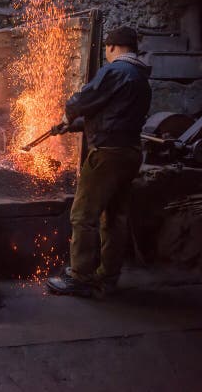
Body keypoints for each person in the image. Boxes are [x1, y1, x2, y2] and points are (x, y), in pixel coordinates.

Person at [46, 26, 152, 297]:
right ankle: (107, 277)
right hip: (129, 153)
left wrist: (69, 114)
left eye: (107, 49)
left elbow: (83, 100)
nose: (106, 54)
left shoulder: (116, 70)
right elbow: (111, 116)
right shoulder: (140, 76)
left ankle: (80, 277)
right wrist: (70, 127)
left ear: (113, 47)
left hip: (106, 155)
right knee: (114, 216)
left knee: (83, 216)